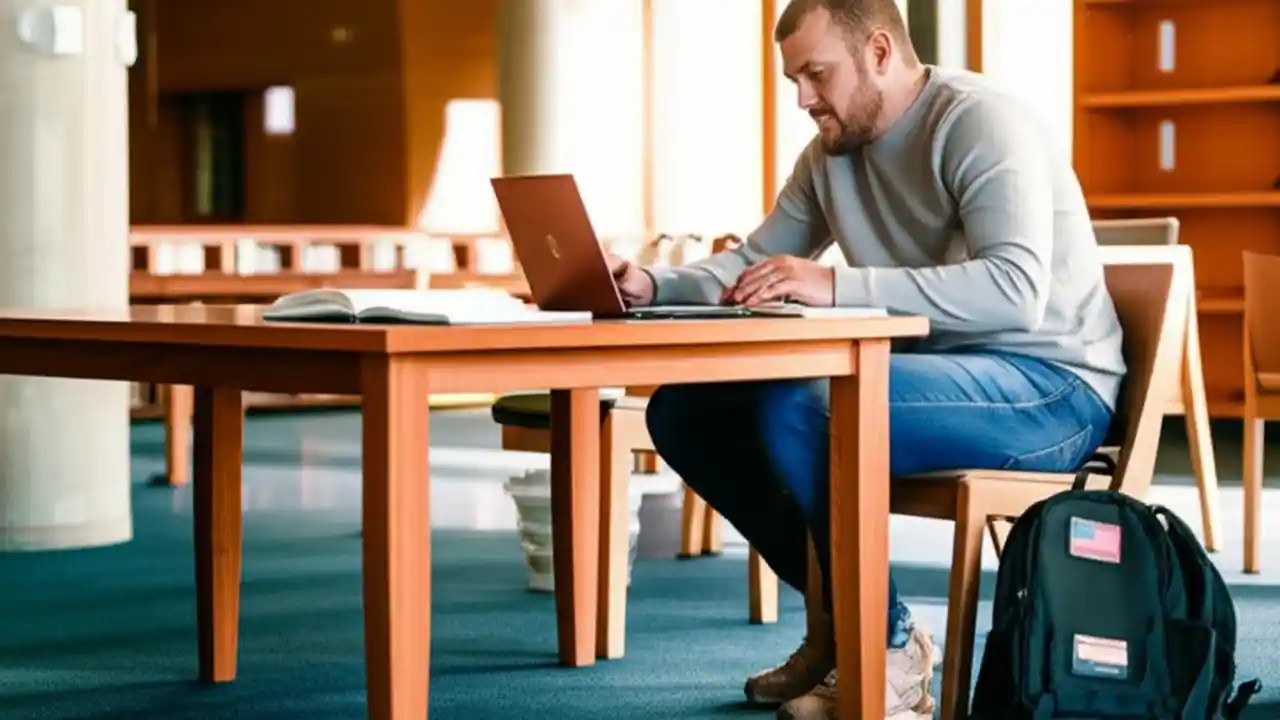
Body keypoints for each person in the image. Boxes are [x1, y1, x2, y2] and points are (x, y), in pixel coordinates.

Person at [606, 0, 1126, 718]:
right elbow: (758, 261)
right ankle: (847, 629)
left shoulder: (979, 122)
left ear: (880, 51)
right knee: (686, 411)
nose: (802, 99)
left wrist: (832, 283)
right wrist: (650, 284)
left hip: (1048, 388)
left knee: (808, 407)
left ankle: (876, 648)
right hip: (929, 380)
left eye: (817, 75)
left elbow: (1015, 292)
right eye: (793, 79)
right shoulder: (830, 155)